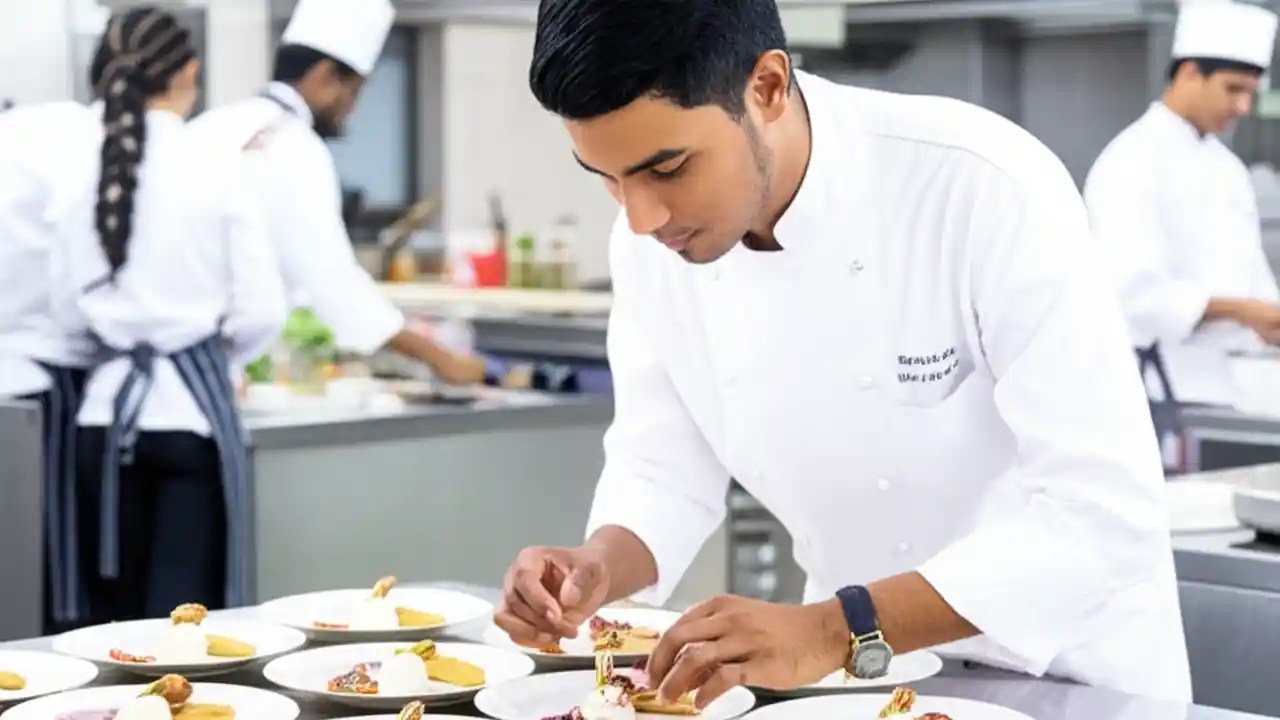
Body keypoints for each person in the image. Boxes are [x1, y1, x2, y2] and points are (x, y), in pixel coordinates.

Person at [495, 0, 1190, 705]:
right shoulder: (650, 243)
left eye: (667, 167)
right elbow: (663, 463)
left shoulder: (982, 184)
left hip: (1067, 678)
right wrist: (596, 567)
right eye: (606, 178)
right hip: (850, 682)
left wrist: (833, 628)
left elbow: (1100, 517)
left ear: (766, 87)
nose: (641, 217)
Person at [47, 7, 286, 621]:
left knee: (109, 627)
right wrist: (209, 355)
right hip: (191, 422)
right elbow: (262, 309)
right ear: (189, 72)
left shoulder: (79, 169)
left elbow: (66, 316)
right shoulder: (219, 162)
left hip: (102, 421)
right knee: (182, 627)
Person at [186, 0, 487, 387]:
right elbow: (330, 283)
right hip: (243, 373)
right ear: (327, 77)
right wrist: (441, 359)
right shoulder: (296, 146)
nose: (352, 109)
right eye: (355, 91)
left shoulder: (210, 126)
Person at [1084, 0, 1280, 408]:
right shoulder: (1130, 160)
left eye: (1250, 93)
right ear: (1190, 72)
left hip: (1227, 385)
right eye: (1234, 89)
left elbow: (1251, 278)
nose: (1243, 107)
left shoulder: (1227, 168)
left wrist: (1266, 316)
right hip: (1153, 388)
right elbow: (1132, 293)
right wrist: (1242, 311)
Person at [0, 100, 101, 631]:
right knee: (58, 558)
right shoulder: (72, 134)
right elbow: (79, 264)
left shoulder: (25, 130)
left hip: (16, 368)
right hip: (51, 370)